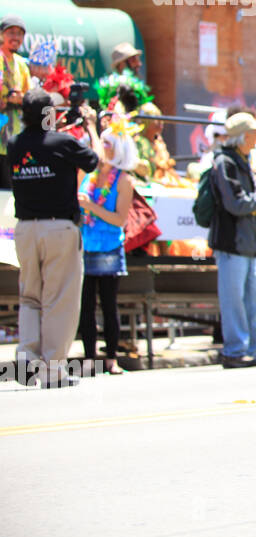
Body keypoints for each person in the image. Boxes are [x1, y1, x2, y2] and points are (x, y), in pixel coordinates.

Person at [10, 88, 103, 386]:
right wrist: (90, 127)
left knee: (30, 297)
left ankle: (26, 363)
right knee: (59, 299)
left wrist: (58, 127)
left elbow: (42, 143)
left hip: (25, 229)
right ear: (48, 114)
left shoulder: (14, 144)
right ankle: (52, 370)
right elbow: (94, 160)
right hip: (58, 228)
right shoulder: (63, 142)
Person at [210, 111, 256, 368]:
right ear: (242, 136)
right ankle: (235, 350)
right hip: (231, 241)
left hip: (247, 241)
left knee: (253, 299)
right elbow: (235, 203)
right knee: (234, 300)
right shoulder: (225, 162)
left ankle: (252, 347)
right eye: (252, 133)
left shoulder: (241, 160)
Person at [77, 116, 139, 375]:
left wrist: (90, 206)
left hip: (109, 248)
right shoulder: (87, 174)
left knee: (109, 303)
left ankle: (111, 357)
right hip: (84, 245)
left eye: (108, 144)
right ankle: (89, 357)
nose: (101, 148)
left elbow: (119, 220)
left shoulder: (123, 180)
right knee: (85, 304)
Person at [0, 15, 33, 190]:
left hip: (13, 138)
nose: (15, 37)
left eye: (20, 34)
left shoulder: (21, 64)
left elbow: (31, 97)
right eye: (11, 32)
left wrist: (22, 99)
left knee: (11, 190)